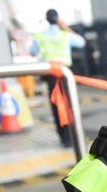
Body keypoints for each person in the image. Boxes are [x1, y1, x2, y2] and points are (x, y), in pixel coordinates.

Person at [30, 9, 86, 147]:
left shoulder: (40, 36)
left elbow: (33, 52)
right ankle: (74, 136)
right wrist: (65, 27)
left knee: (57, 106)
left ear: (46, 19)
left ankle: (64, 138)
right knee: (70, 104)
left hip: (51, 76)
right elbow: (81, 42)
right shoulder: (65, 35)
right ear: (57, 19)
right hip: (65, 74)